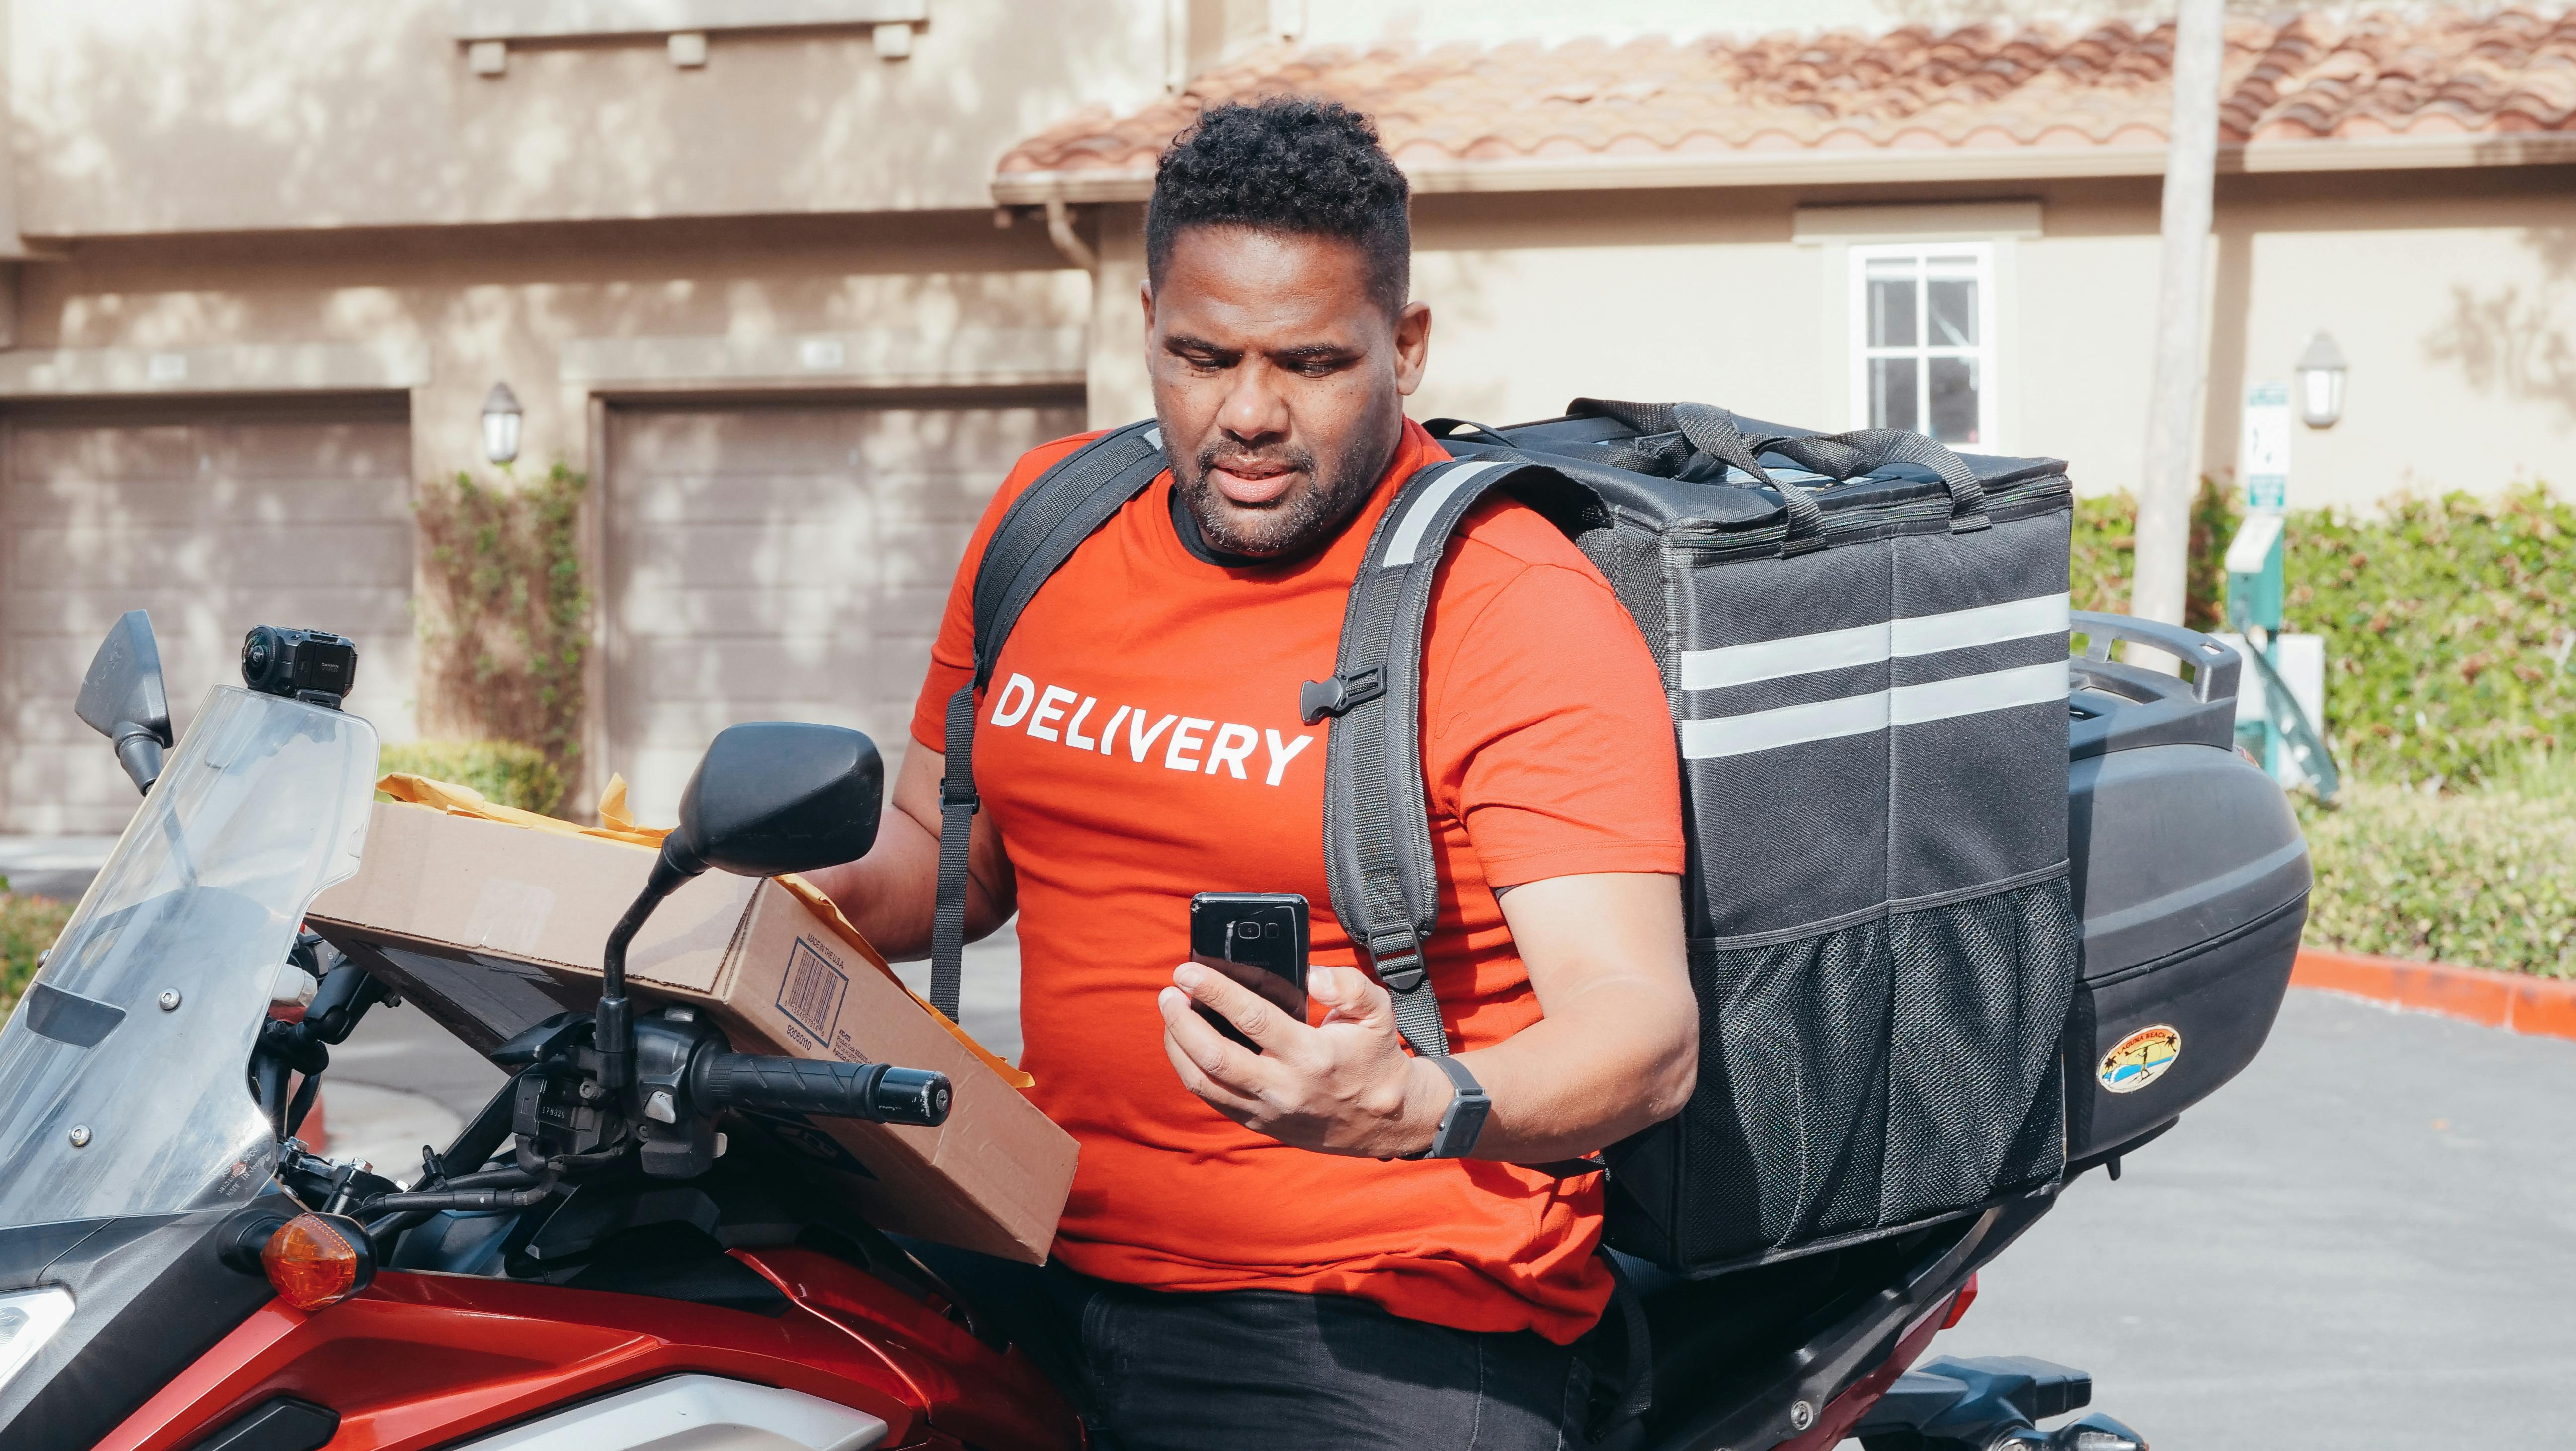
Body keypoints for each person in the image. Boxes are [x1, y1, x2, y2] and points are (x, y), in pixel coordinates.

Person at [810, 96, 1693, 1450]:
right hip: (1026, 1248)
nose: (1250, 415)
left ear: (1405, 346)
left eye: (1314, 362)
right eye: (1203, 355)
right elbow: (942, 860)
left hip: (1375, 1315)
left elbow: (1640, 1031)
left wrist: (1412, 1102)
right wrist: (702, 895)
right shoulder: (1049, 521)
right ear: (1149, 319)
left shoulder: (1512, 605)